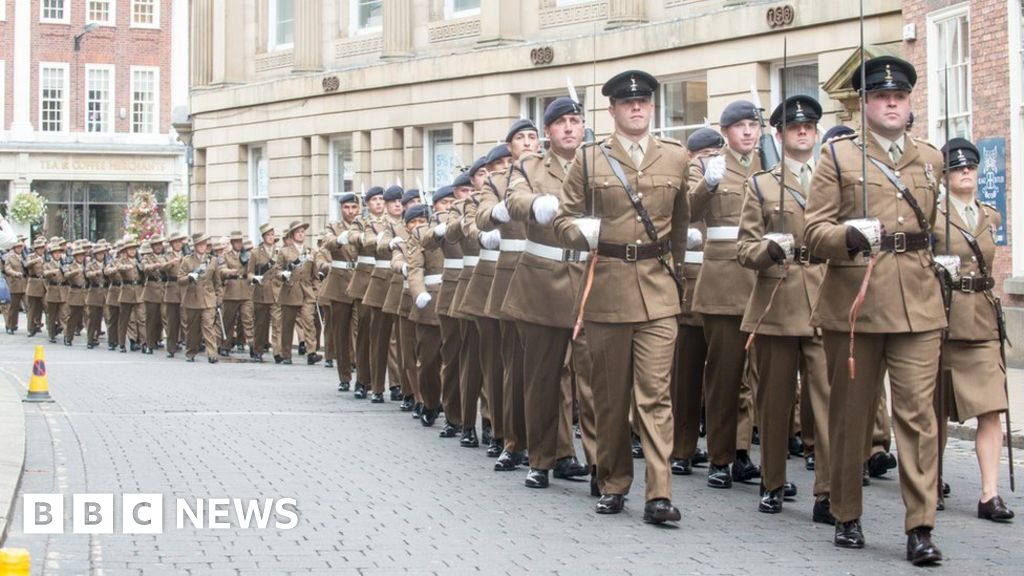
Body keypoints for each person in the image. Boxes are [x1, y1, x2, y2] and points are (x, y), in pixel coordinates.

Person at [804, 55, 945, 565]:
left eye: (899, 97)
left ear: (909, 103)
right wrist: (848, 234)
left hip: (918, 303)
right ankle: (846, 511)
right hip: (855, 304)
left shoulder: (930, 158)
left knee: (918, 417)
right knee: (851, 415)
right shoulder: (838, 157)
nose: (891, 104)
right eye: (882, 97)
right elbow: (812, 232)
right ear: (864, 103)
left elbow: (935, 225)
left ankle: (920, 526)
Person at [553, 69, 689, 524]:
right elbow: (563, 219)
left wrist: (678, 278)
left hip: (658, 290)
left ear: (651, 107)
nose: (637, 108)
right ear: (611, 110)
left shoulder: (675, 156)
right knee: (610, 398)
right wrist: (581, 231)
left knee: (655, 396)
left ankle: (659, 493)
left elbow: (681, 225)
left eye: (643, 101)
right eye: (628, 102)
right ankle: (613, 482)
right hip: (607, 288)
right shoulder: (590, 159)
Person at [737, 95, 831, 519]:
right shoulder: (762, 184)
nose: (803, 132)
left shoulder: (833, 180)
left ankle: (828, 491)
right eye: (794, 127)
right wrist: (769, 250)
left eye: (809, 126)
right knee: (774, 403)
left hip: (825, 299)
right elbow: (744, 249)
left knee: (827, 402)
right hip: (778, 300)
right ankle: (772, 482)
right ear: (779, 135)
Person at [504, 96, 593, 489]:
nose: (569, 128)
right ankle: (540, 459)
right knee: (542, 379)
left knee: (592, 382)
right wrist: (535, 203)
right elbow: (514, 198)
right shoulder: (530, 166)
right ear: (547, 132)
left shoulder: (600, 163)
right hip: (542, 284)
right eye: (561, 122)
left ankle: (599, 464)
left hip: (591, 280)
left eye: (575, 120)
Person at [933, 137, 1014, 522]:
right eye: (957, 167)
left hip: (981, 320)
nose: (965, 171)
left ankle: (989, 494)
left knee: (991, 408)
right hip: (942, 318)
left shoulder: (990, 216)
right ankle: (930, 483)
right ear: (944, 176)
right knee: (933, 410)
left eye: (970, 166)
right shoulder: (931, 218)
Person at [478, 120, 540, 471]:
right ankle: (513, 441)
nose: (528, 142)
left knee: (558, 370)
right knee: (514, 366)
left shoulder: (551, 173)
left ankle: (558, 449)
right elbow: (481, 216)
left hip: (551, 277)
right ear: (510, 145)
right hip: (512, 276)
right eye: (520, 138)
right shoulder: (497, 181)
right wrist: (494, 215)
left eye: (532, 136)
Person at [670, 128, 722, 476]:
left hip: (727, 284)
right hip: (692, 282)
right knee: (687, 373)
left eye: (716, 150)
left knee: (730, 374)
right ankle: (682, 447)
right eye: (704, 153)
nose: (711, 157)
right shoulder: (690, 174)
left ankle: (731, 449)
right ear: (692, 156)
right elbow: (684, 207)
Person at [323, 193, 361, 391]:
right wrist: (339, 239)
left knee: (362, 331)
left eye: (354, 207)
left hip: (360, 281)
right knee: (341, 332)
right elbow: (327, 242)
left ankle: (363, 378)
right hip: (339, 283)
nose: (351, 211)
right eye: (347, 207)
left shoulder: (364, 225)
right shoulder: (333, 227)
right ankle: (344, 376)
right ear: (341, 209)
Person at [276, 221, 321, 365]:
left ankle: (311, 352)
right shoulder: (284, 252)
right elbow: (277, 270)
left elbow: (315, 275)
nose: (301, 234)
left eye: (302, 232)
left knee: (309, 322)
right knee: (287, 325)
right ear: (292, 235)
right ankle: (286, 354)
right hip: (290, 291)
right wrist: (283, 274)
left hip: (307, 291)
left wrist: (316, 292)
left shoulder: (311, 252)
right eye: (298, 232)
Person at [178, 233, 220, 363]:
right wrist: (189, 277)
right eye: (199, 244)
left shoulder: (212, 260)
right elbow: (180, 279)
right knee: (193, 329)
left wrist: (219, 299)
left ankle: (212, 354)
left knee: (208, 326)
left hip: (208, 299)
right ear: (195, 246)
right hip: (193, 299)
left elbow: (217, 282)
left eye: (204, 244)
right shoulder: (187, 260)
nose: (202, 246)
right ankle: (191, 351)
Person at [249, 223, 281, 362]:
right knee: (260, 324)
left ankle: (278, 352)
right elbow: (249, 272)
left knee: (277, 323)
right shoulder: (255, 253)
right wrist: (254, 278)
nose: (271, 237)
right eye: (268, 235)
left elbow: (281, 268)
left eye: (272, 235)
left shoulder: (279, 252)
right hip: (261, 291)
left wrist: (283, 274)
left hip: (275, 291)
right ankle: (258, 349)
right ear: (263, 237)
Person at [63, 241, 89, 346]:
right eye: (78, 255)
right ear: (75, 256)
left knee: (89, 316)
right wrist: (75, 271)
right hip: (75, 293)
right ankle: (68, 337)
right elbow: (66, 275)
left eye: (82, 255)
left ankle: (92, 338)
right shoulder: (71, 266)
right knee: (73, 317)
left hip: (86, 293)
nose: (80, 257)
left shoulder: (87, 265)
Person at [42, 241, 67, 343]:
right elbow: (44, 273)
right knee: (51, 315)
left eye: (59, 252)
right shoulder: (48, 264)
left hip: (62, 291)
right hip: (52, 291)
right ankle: (51, 334)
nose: (57, 254)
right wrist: (53, 271)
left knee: (64, 315)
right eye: (55, 253)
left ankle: (67, 335)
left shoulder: (64, 263)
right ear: (52, 254)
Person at [23, 237, 48, 337]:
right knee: (32, 308)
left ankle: (50, 326)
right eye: (39, 248)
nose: (41, 249)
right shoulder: (31, 256)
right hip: (33, 283)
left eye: (42, 248)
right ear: (35, 249)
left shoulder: (47, 256)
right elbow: (26, 265)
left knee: (46, 306)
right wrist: (36, 260)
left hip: (44, 283)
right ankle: (31, 328)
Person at [4, 237, 27, 334]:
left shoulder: (25, 255)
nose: (20, 248)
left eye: (21, 247)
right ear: (14, 248)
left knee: (29, 305)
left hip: (25, 284)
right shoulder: (9, 257)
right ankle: (11, 325)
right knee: (14, 307)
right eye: (18, 247)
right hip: (15, 284)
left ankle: (32, 326)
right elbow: (7, 269)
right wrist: (16, 273)